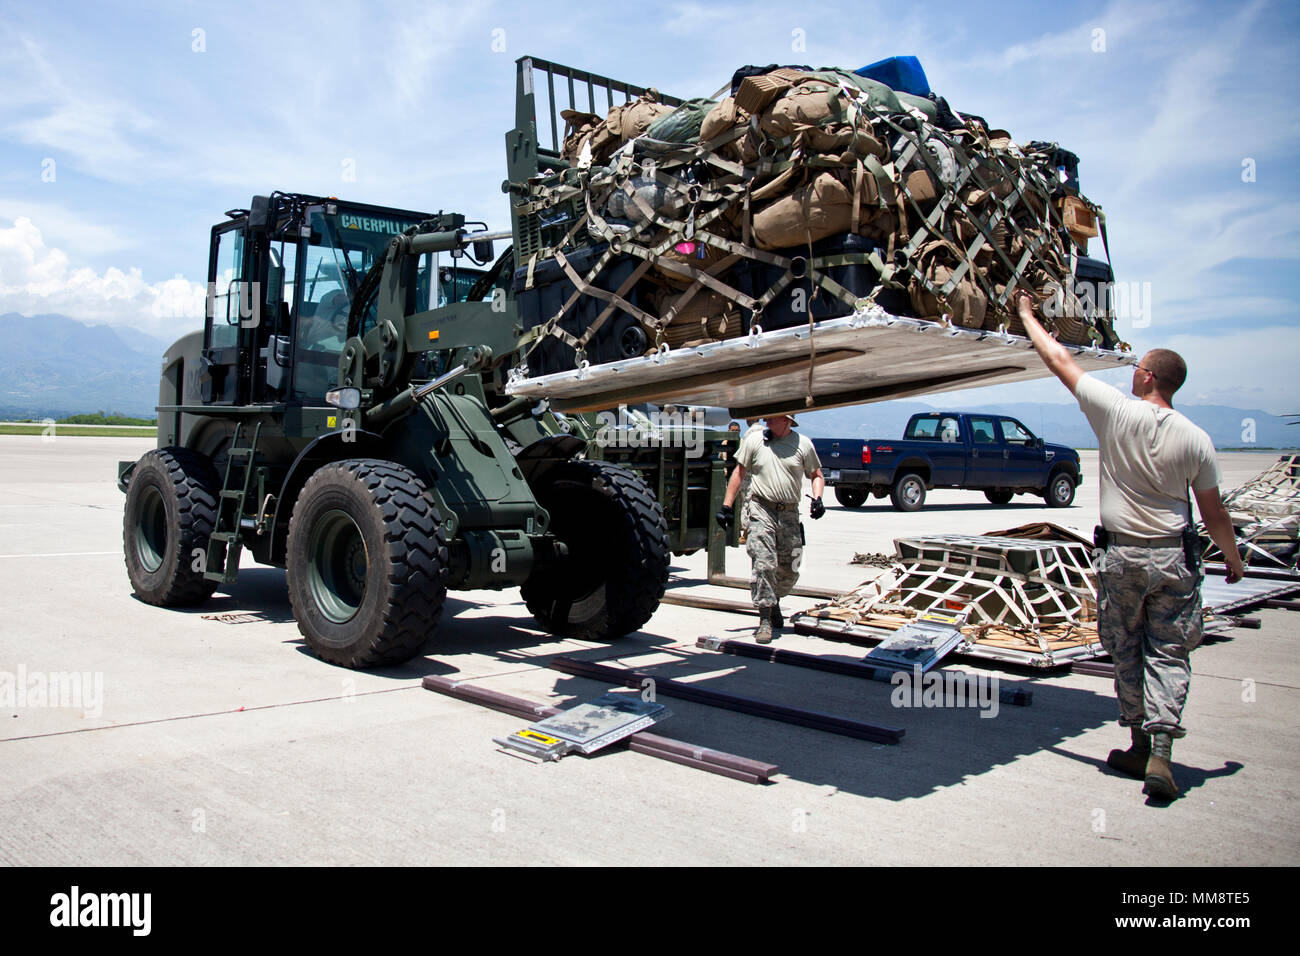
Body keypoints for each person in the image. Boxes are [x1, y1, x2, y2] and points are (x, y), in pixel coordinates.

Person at [1014, 291, 1244, 800]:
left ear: (1147, 377)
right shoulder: (1197, 438)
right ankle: (1159, 752)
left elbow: (1058, 358)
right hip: (1172, 558)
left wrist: (1028, 316)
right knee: (1169, 649)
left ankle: (1140, 741)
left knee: (1125, 648)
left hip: (1120, 557)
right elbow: (1214, 513)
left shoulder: (1115, 413)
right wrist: (1232, 558)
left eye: (1137, 367)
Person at [716, 414, 825, 644]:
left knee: (792, 566)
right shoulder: (756, 441)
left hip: (789, 513)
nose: (766, 423)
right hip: (760, 509)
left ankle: (774, 599)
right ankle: (764, 618)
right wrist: (727, 506)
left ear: (786, 421)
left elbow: (816, 475)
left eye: (772, 419)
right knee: (764, 563)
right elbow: (739, 472)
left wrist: (818, 498)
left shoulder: (803, 444)